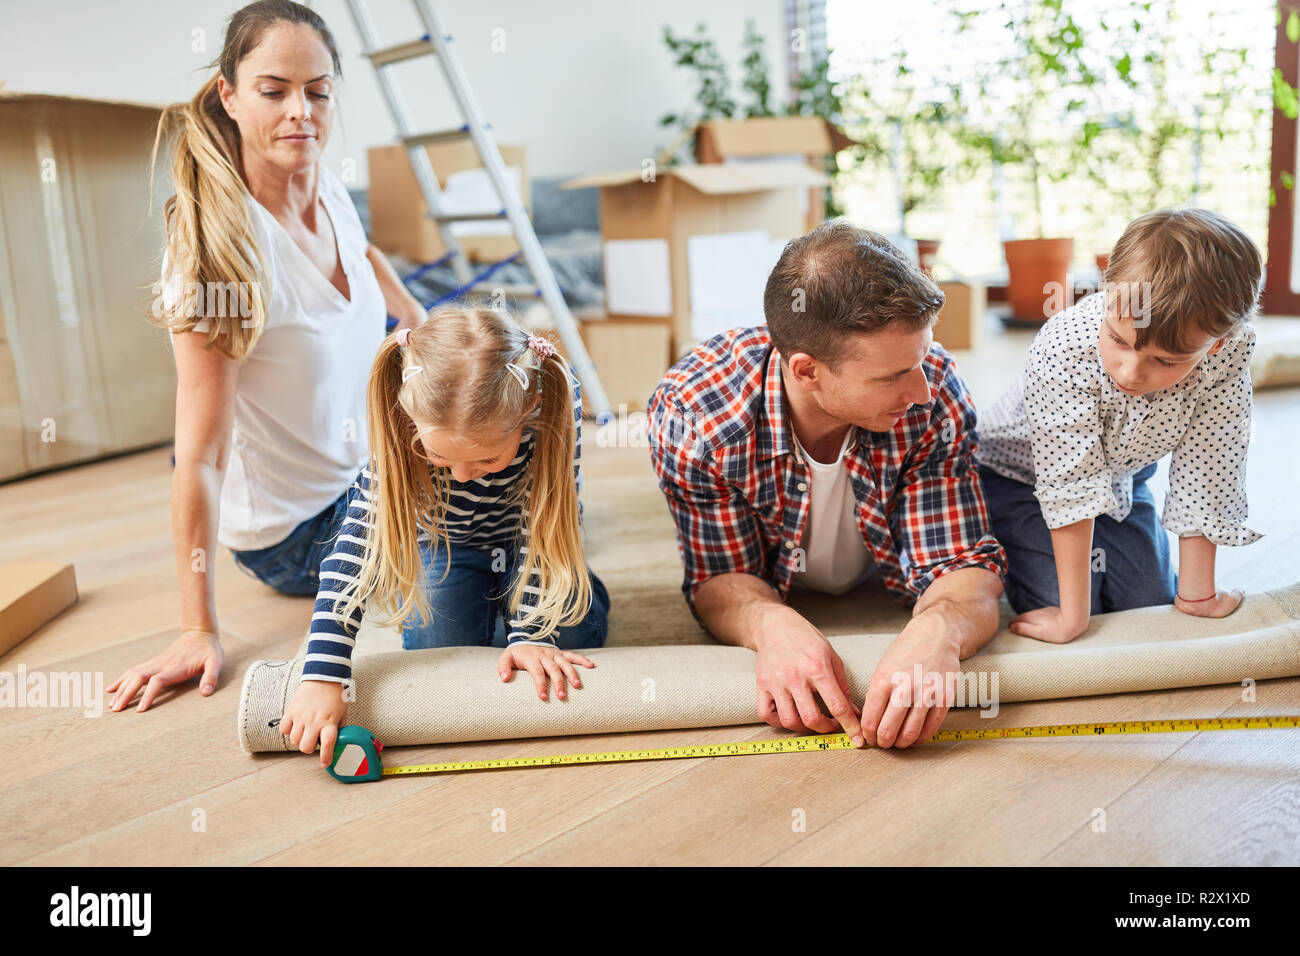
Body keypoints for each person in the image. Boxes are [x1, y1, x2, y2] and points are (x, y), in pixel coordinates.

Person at [108, 0, 428, 713]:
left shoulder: (328, 187)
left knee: (503, 451)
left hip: (363, 472)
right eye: (274, 90)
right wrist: (197, 627)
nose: (301, 113)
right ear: (229, 94)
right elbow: (197, 456)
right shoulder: (217, 258)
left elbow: (366, 254)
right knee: (470, 553)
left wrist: (417, 319)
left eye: (318, 92)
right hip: (294, 531)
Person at [647, 219, 1007, 751]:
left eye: (923, 360)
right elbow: (719, 577)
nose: (923, 390)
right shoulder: (695, 415)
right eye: (890, 377)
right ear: (807, 370)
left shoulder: (933, 389)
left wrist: (941, 632)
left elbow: (960, 562)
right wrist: (770, 626)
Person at [278, 309, 611, 765]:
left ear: (530, 408)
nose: (463, 476)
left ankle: (534, 607)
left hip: (528, 543)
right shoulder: (403, 403)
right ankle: (499, 610)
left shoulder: (550, 392)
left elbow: (550, 522)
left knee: (568, 640)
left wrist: (532, 633)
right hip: (445, 544)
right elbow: (355, 548)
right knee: (439, 646)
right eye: (438, 456)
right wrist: (322, 676)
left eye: (488, 460)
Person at [976, 208, 1263, 643]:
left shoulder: (1229, 349)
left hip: (1124, 477)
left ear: (1216, 342)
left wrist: (1198, 595)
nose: (1129, 373)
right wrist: (1072, 617)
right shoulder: (1064, 347)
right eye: (1118, 340)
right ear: (1107, 284)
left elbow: (1212, 464)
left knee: (1148, 602)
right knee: (1075, 604)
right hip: (1022, 480)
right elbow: (1068, 483)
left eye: (1165, 361)